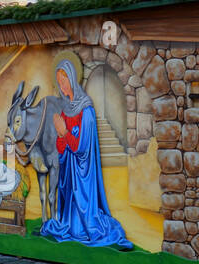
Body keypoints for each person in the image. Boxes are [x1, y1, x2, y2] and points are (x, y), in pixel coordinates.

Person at [39, 59, 133, 248]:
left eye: (64, 80)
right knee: (69, 227)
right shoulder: (65, 111)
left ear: (73, 79)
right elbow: (61, 148)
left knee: (86, 227)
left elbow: (82, 149)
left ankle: (91, 225)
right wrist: (60, 133)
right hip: (70, 173)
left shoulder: (86, 110)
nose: (61, 85)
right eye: (58, 81)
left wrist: (64, 132)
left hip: (83, 174)